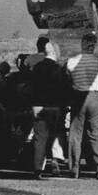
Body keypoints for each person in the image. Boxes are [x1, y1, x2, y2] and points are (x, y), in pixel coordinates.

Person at [65, 32, 98, 179]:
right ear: (94, 46)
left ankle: (75, 167)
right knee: (96, 133)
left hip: (78, 96)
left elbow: (67, 82)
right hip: (95, 96)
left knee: (75, 133)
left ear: (82, 44)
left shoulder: (72, 61)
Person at [29, 38, 72, 179]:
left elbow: (32, 89)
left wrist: (34, 105)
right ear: (53, 52)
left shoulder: (37, 68)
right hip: (56, 108)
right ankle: (56, 160)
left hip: (39, 106)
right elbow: (65, 89)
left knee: (40, 138)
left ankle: (38, 168)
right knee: (56, 136)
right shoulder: (59, 69)